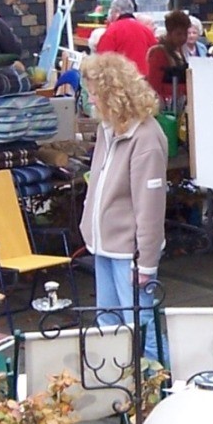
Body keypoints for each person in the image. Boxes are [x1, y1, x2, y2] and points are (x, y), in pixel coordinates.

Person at [79, 53, 168, 363]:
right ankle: (118, 382)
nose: (90, 99)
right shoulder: (108, 128)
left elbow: (150, 208)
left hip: (129, 252)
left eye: (94, 93)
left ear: (113, 94)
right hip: (104, 244)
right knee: (108, 324)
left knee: (142, 329)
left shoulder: (146, 138)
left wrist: (147, 263)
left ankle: (162, 383)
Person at [93, 0, 155, 78]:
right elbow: (156, 56)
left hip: (122, 81)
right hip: (144, 81)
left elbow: (101, 60)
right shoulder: (146, 31)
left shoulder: (112, 31)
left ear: (116, 12)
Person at [147, 10, 192, 106]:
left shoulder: (181, 51)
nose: (183, 38)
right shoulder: (158, 53)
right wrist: (186, 88)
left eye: (185, 34)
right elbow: (154, 87)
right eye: (179, 34)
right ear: (169, 33)